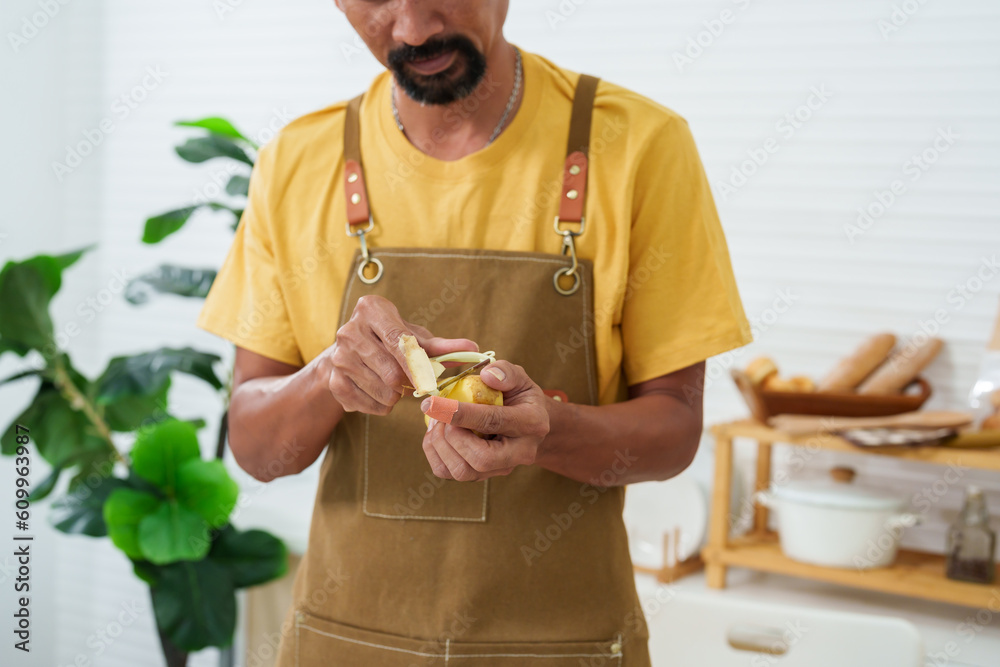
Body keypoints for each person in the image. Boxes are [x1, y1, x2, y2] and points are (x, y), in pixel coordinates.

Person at [197, 1, 752, 664]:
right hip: (347, 643)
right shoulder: (295, 161)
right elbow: (258, 450)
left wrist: (547, 431)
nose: (411, 30)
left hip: (564, 645)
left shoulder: (639, 146)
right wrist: (325, 379)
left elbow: (674, 430)